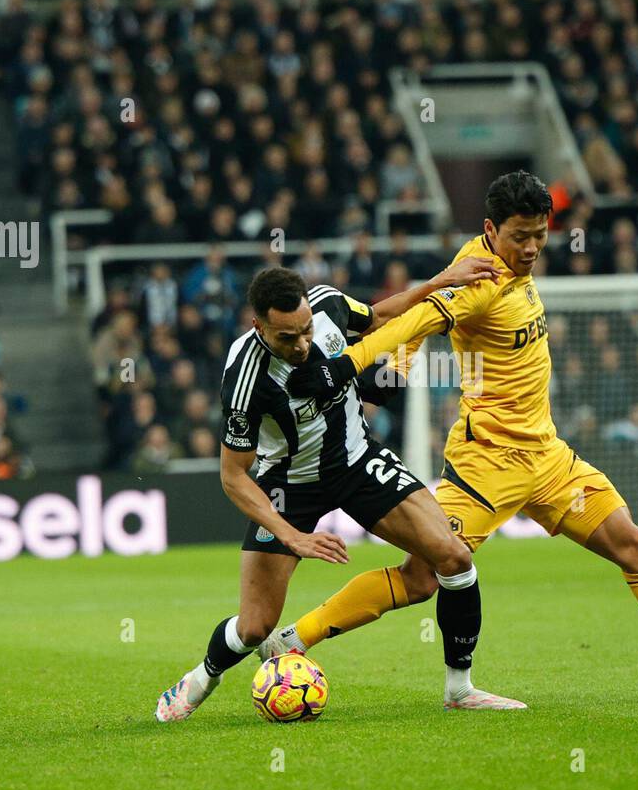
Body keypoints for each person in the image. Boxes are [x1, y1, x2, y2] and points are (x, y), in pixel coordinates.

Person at [283, 170, 638, 701]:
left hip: (547, 458)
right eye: (520, 236)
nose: (532, 247)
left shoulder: (500, 257)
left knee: (635, 546)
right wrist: (352, 364)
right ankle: (293, 640)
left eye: (540, 234)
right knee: (423, 577)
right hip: (486, 464)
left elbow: (423, 324)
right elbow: (417, 321)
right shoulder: (478, 283)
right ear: (491, 229)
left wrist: (391, 374)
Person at [155, 251, 526, 722]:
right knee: (254, 626)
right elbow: (233, 476)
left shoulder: (327, 303)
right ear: (259, 326)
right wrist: (292, 536)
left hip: (356, 460)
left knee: (453, 558)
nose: (302, 343)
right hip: (288, 484)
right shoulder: (246, 379)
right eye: (287, 338)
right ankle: (202, 678)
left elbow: (382, 314)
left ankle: (459, 688)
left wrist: (443, 279)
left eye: (306, 330)